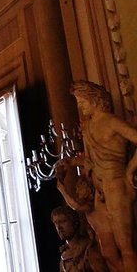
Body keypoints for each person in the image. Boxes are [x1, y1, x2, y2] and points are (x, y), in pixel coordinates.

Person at [71, 81, 137, 271]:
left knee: (126, 247)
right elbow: (88, 160)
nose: (80, 107)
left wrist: (130, 169)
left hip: (116, 185)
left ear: (94, 100)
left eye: (82, 102)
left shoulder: (112, 122)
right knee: (107, 251)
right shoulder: (88, 128)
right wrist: (70, 162)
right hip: (98, 190)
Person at [51, 205, 108, 272]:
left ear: (75, 223)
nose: (59, 227)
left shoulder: (89, 249)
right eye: (56, 223)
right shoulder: (64, 257)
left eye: (63, 221)